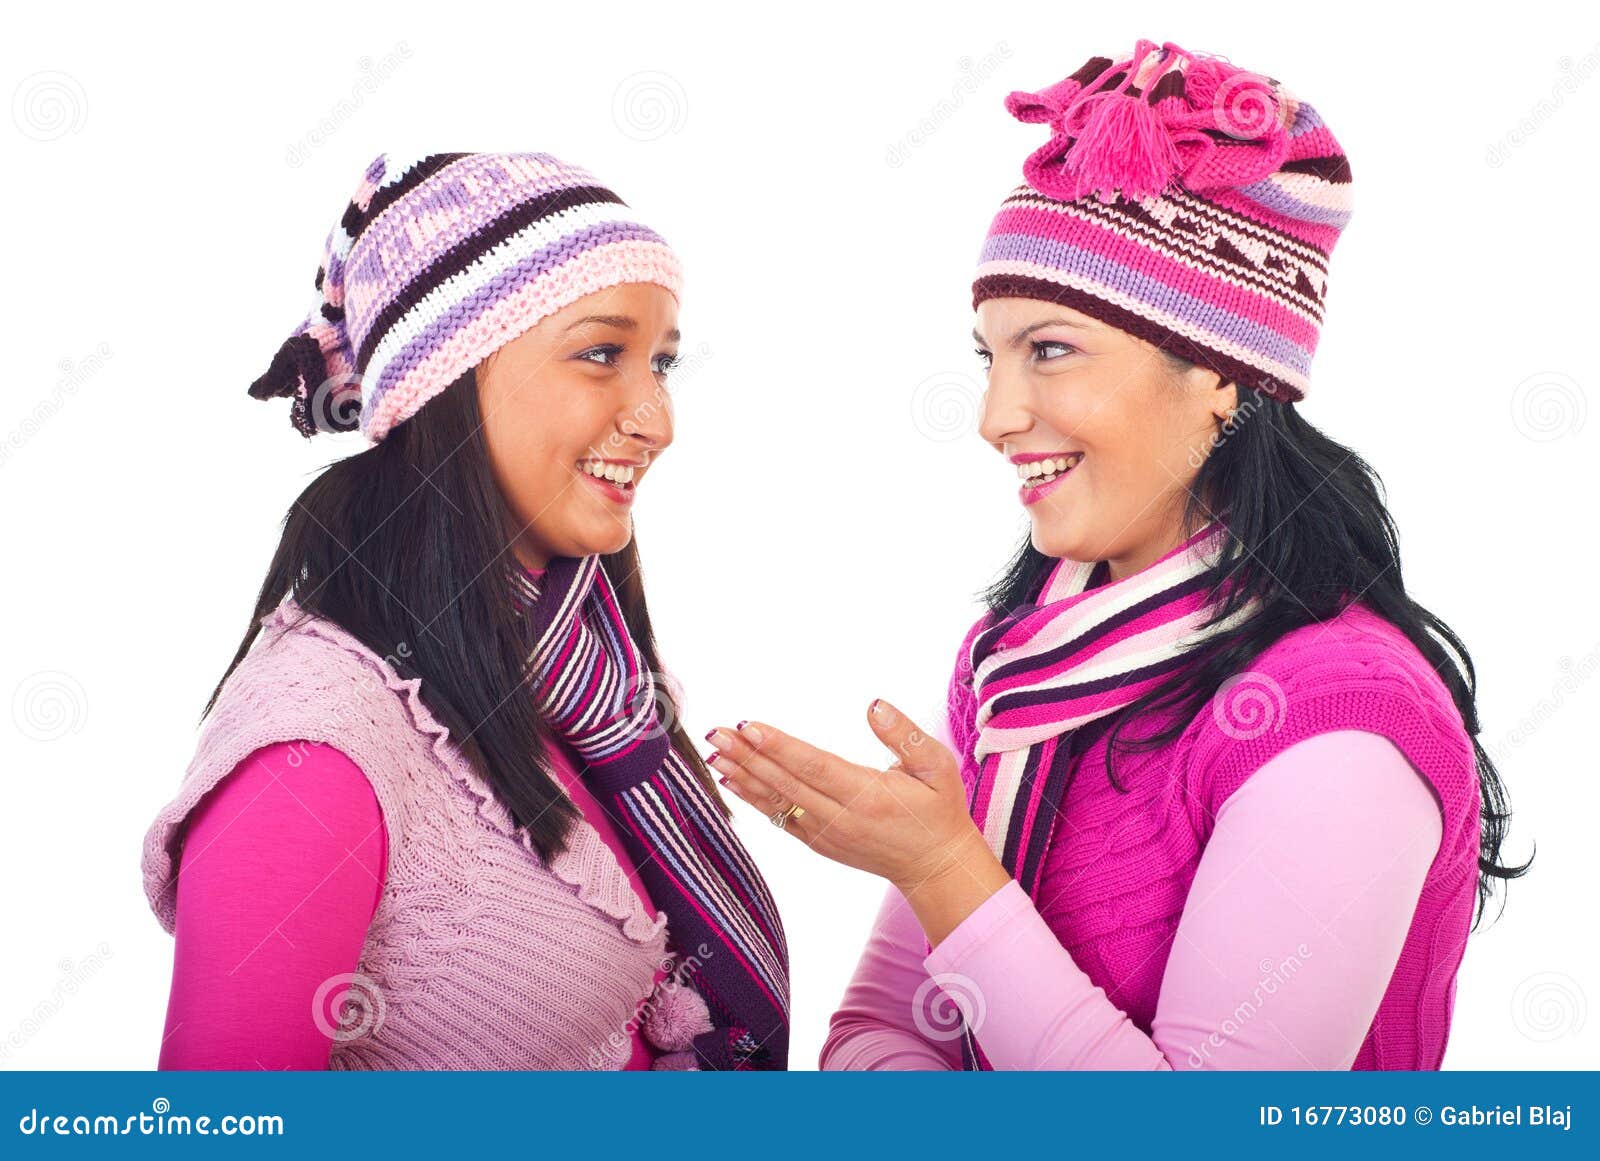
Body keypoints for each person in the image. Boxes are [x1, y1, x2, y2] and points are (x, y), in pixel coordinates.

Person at [140, 152, 789, 1070]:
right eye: (602, 353)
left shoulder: (581, 678)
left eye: (662, 363)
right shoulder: (314, 753)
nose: (658, 418)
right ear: (442, 378)